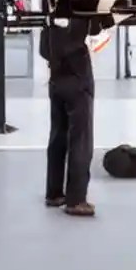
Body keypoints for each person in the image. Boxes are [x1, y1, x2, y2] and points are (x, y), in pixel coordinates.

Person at [39, 17, 95, 217]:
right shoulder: (79, 7)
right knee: (81, 138)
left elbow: (43, 50)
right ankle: (76, 199)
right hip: (77, 77)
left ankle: (54, 193)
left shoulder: (50, 10)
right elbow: (96, 28)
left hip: (56, 76)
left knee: (58, 135)